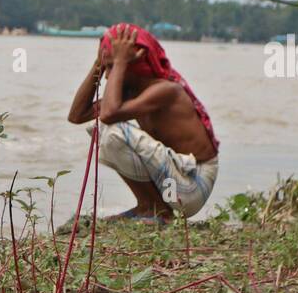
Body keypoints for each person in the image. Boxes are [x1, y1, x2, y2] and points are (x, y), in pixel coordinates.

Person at [67, 23, 219, 223]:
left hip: (193, 185)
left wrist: (119, 61)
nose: (107, 76)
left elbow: (109, 114)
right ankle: (149, 206)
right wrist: (99, 62)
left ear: (134, 64)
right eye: (108, 67)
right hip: (175, 183)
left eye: (111, 68)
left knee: (113, 131)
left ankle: (157, 210)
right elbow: (77, 115)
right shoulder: (132, 93)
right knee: (101, 129)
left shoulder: (166, 90)